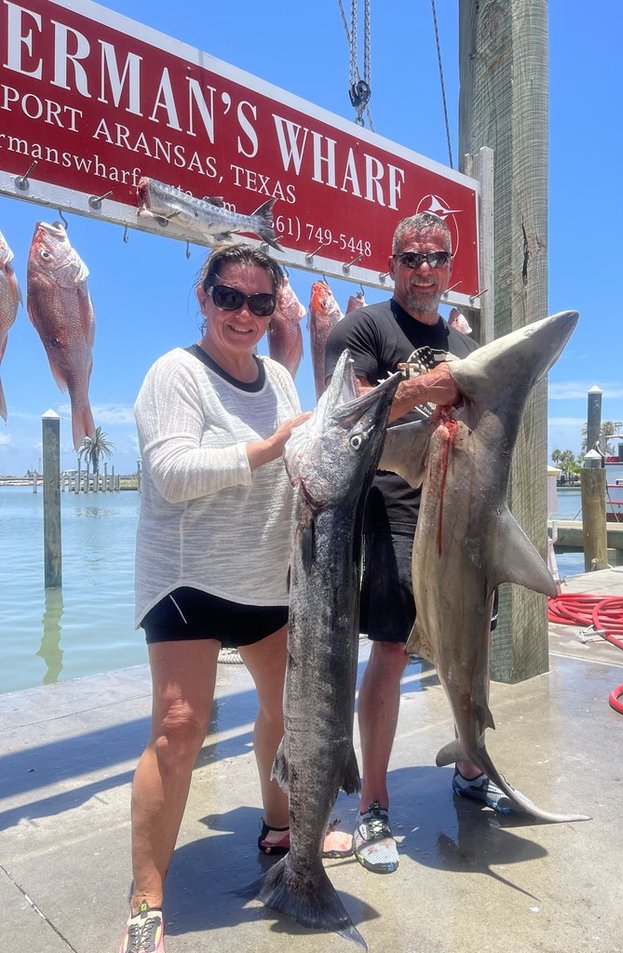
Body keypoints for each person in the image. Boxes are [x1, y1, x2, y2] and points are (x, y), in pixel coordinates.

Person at [119, 243, 312, 953]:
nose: (244, 313)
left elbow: (303, 466)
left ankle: (280, 823)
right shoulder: (175, 372)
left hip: (268, 576)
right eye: (229, 296)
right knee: (177, 726)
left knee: (288, 711)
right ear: (202, 295)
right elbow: (170, 471)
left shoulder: (282, 383)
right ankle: (146, 900)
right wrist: (266, 448)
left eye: (260, 302)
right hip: (186, 578)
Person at [324, 212, 513, 877]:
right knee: (393, 649)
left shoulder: (468, 341)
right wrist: (426, 388)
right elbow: (342, 413)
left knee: (472, 639)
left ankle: (469, 763)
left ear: (451, 267)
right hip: (395, 508)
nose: (423, 269)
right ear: (390, 262)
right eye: (410, 258)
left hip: (468, 518)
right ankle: (374, 800)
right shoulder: (362, 329)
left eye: (435, 258)